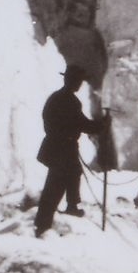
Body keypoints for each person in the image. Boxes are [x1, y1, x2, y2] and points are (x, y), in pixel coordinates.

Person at [35, 65, 98, 236]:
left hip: (56, 146)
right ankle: (42, 224)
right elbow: (82, 124)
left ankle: (71, 206)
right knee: (55, 185)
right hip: (62, 148)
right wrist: (101, 125)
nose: (79, 84)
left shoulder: (55, 98)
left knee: (73, 173)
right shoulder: (70, 101)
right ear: (71, 80)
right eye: (78, 81)